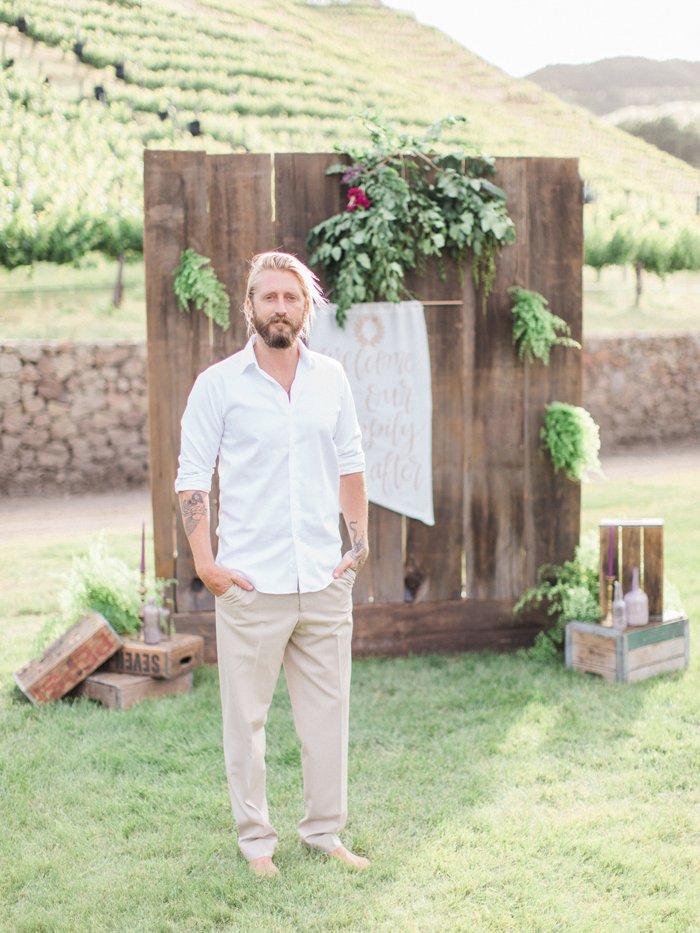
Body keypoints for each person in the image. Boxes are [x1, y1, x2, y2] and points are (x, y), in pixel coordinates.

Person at [175, 251, 369, 877]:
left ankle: (324, 832)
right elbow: (191, 476)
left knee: (326, 717)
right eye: (269, 296)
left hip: (322, 579)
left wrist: (357, 545)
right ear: (250, 306)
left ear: (306, 308)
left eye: (291, 297)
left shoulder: (331, 379)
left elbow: (351, 464)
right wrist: (206, 564)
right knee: (247, 723)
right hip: (250, 583)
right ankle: (257, 843)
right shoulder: (218, 385)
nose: (280, 307)